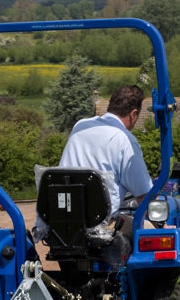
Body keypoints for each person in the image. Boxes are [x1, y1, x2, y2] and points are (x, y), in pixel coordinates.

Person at [58, 85, 153, 218]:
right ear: (134, 114)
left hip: (62, 219)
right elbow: (144, 196)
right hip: (99, 226)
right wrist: (163, 224)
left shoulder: (80, 126)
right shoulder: (125, 140)